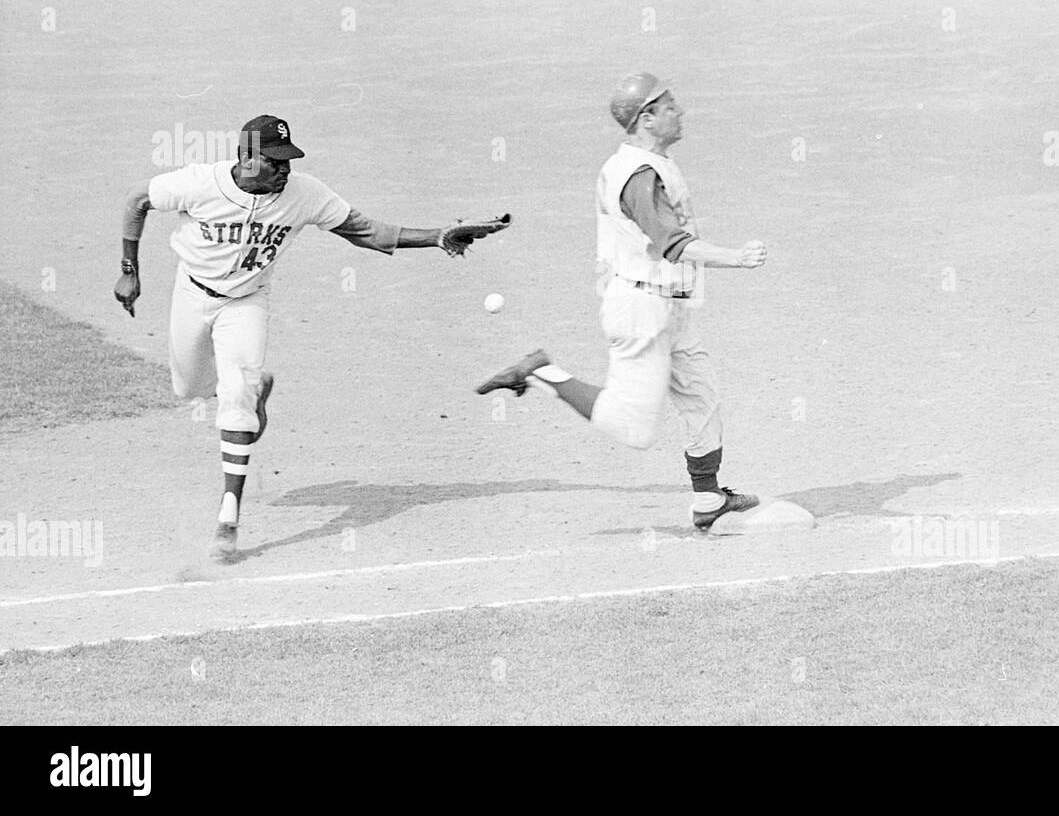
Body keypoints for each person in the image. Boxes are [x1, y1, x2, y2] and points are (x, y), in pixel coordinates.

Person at [114, 114, 505, 559]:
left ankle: (228, 520)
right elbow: (137, 200)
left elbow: (366, 231)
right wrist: (130, 271)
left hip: (247, 302)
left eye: (289, 161)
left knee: (235, 397)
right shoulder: (200, 183)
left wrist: (437, 236)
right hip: (192, 293)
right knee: (190, 389)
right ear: (246, 157)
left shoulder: (305, 194)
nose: (285, 170)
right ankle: (254, 394)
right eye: (275, 161)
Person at [476, 73, 769, 531]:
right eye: (670, 106)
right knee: (635, 429)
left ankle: (709, 498)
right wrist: (737, 258)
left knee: (703, 399)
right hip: (641, 309)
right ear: (647, 118)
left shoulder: (646, 163)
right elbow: (671, 243)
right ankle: (540, 373)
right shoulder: (639, 176)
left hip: (670, 305)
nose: (681, 112)